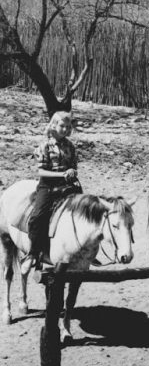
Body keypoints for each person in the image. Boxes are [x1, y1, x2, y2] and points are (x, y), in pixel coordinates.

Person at [21, 111, 82, 274]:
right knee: (37, 216)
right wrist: (61, 174)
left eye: (68, 127)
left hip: (67, 185)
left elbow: (74, 166)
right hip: (47, 186)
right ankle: (33, 254)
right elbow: (42, 172)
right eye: (62, 126)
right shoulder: (44, 146)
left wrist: (71, 172)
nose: (65, 129)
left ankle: (84, 249)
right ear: (53, 126)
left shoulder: (70, 146)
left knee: (86, 210)